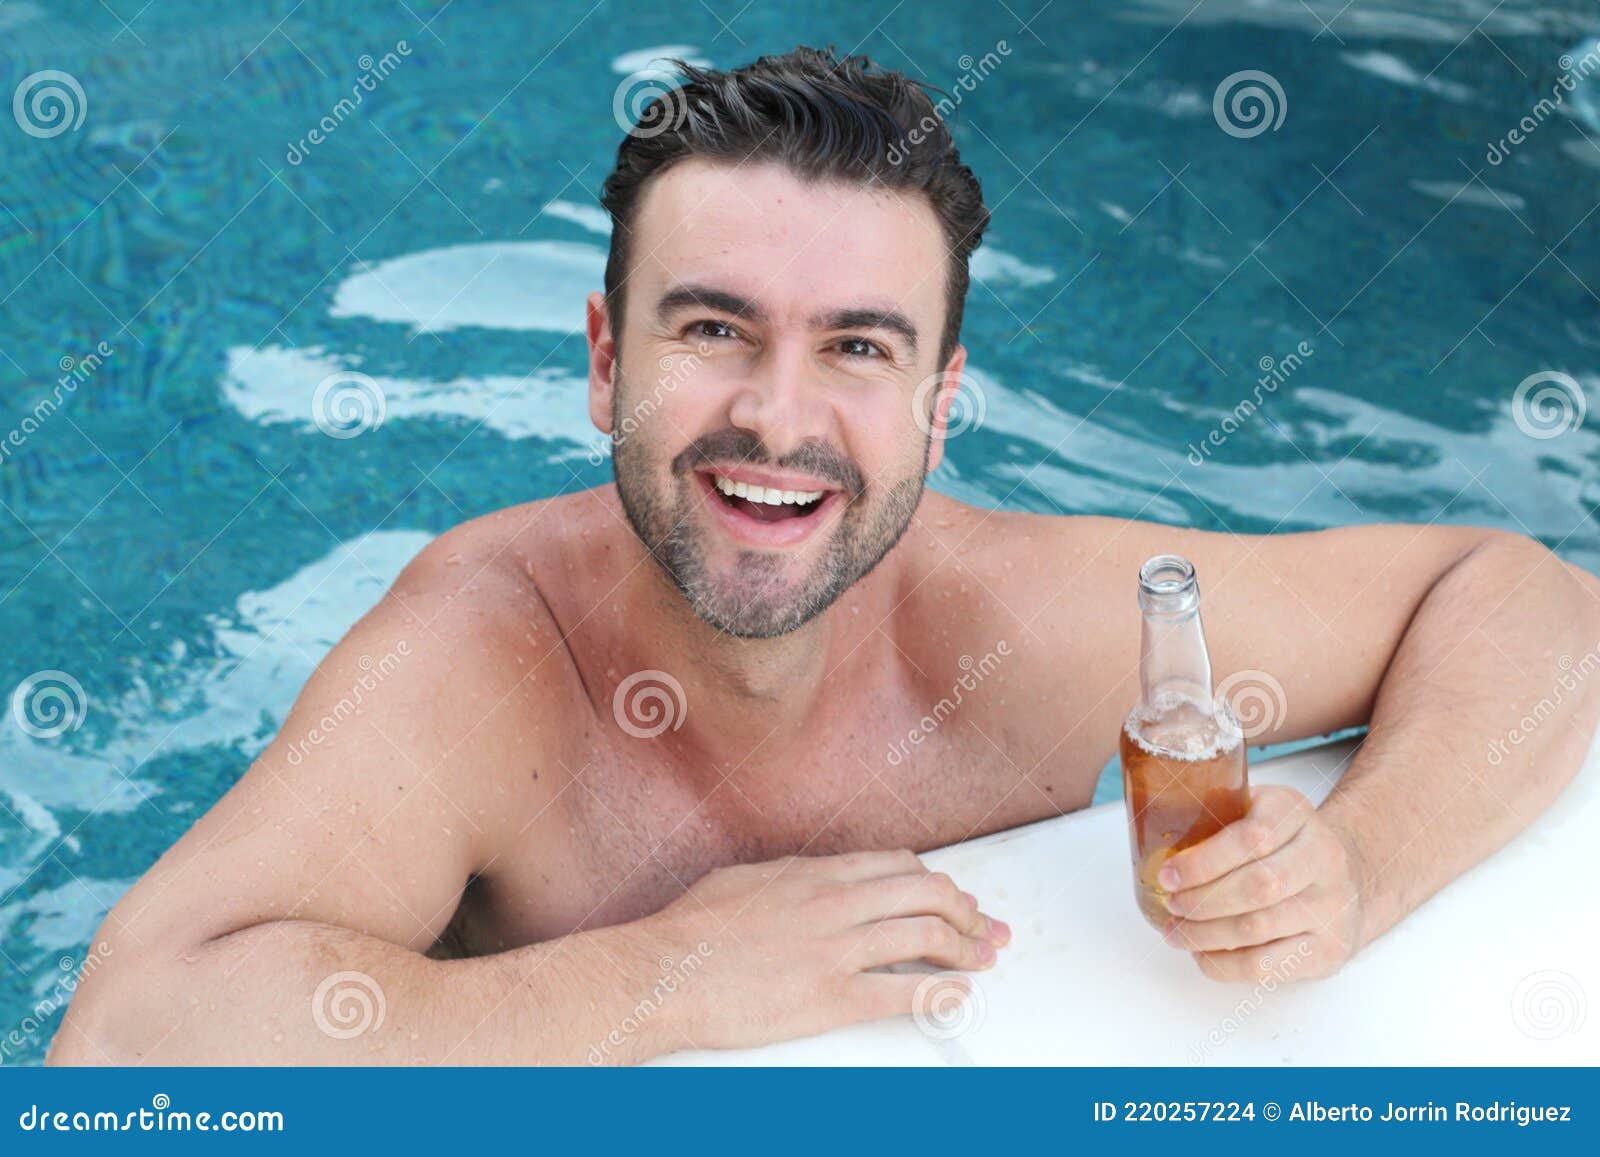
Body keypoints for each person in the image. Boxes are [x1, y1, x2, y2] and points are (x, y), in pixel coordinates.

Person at [51, 46, 1600, 1066]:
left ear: (939, 401)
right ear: (605, 363)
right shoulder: (480, 665)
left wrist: (1362, 862)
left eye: (856, 348)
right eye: (714, 327)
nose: (777, 420)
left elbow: (1525, 599)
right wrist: (662, 980)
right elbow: (125, 1036)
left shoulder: (1021, 628)